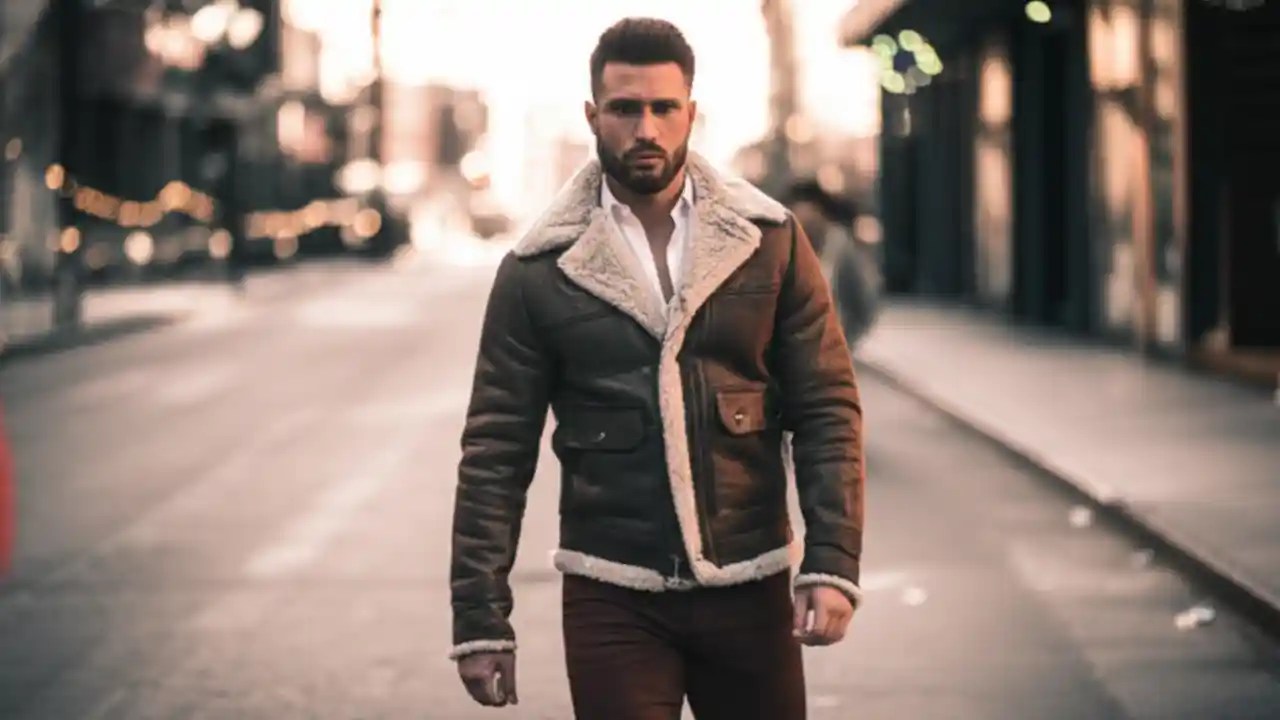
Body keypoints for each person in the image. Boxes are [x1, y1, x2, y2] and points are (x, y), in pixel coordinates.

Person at [450, 17, 865, 719]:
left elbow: (827, 407)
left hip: (750, 583)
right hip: (612, 595)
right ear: (593, 116)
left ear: (690, 114)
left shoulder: (768, 241)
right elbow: (495, 451)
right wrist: (480, 620)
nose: (645, 129)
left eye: (663, 108)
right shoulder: (539, 269)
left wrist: (832, 561)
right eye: (625, 109)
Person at [786, 179, 882, 348]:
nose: (803, 222)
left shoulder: (841, 249)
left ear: (820, 213)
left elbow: (865, 302)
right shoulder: (786, 247)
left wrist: (846, 341)